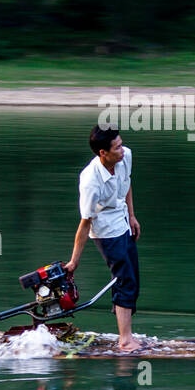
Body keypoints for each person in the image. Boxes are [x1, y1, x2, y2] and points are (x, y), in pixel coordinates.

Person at [67, 124, 142, 351]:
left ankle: (127, 333)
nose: (122, 149)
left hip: (122, 220)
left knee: (134, 278)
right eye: (117, 147)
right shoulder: (90, 180)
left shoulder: (125, 156)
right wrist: (74, 261)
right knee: (124, 279)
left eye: (121, 144)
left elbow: (126, 184)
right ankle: (125, 340)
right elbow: (85, 222)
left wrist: (131, 215)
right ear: (103, 153)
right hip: (106, 229)